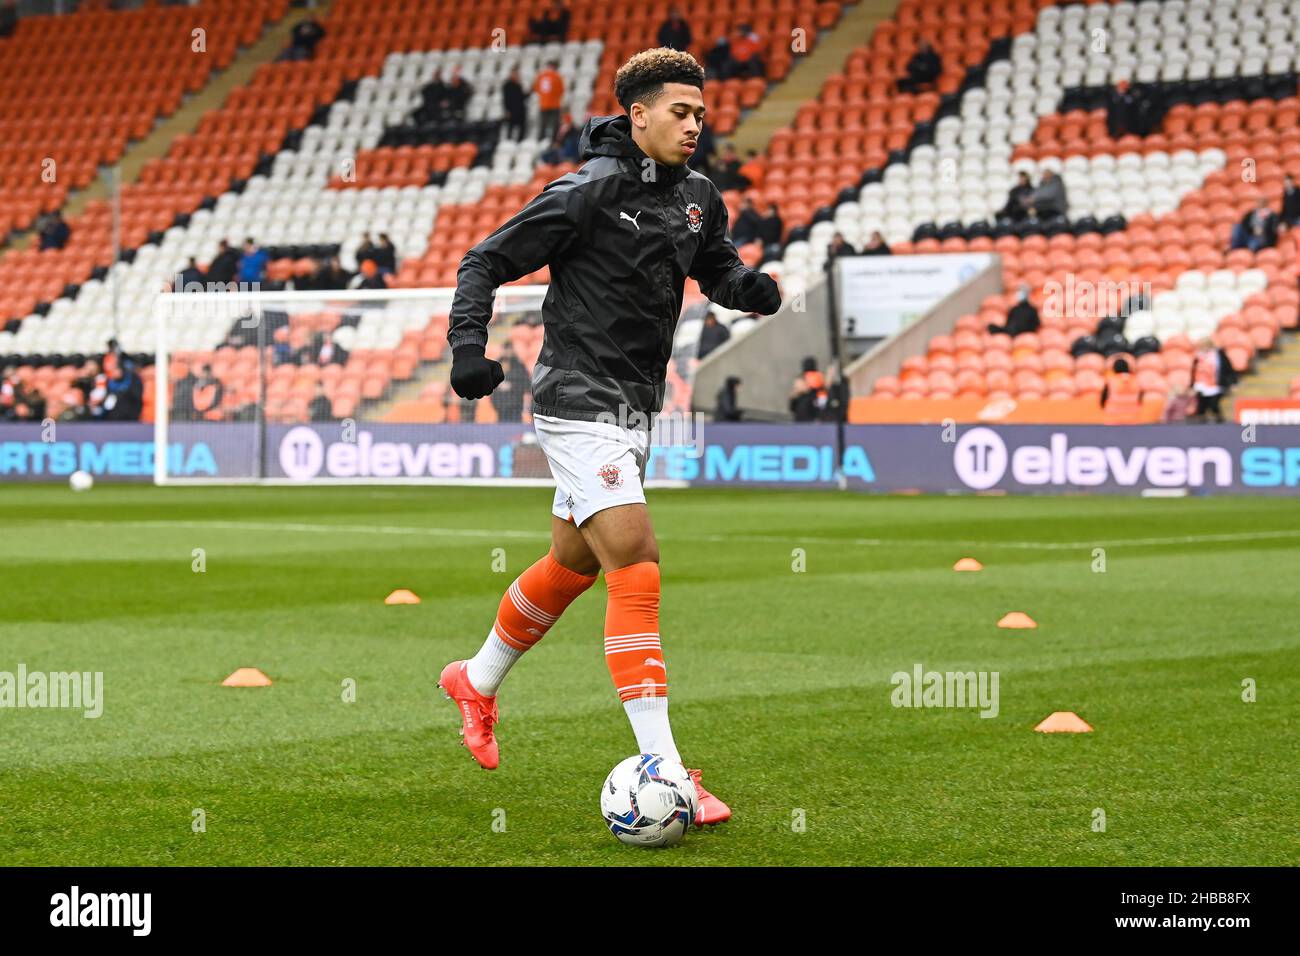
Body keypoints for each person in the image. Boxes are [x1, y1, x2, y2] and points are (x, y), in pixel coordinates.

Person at [440, 48, 782, 824]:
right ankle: (665, 769)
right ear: (638, 115)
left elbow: (715, 263)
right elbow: (483, 262)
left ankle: (477, 678)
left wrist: (744, 290)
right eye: (680, 112)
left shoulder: (698, 195)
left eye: (701, 113)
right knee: (636, 563)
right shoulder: (588, 190)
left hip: (635, 409)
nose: (695, 125)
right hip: (575, 399)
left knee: (571, 564)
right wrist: (469, 348)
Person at [1189, 337, 1236, 422]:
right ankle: (1201, 425)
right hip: (1201, 385)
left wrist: (1232, 382)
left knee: (1213, 404)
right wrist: (1192, 385)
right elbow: (1194, 371)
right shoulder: (1198, 357)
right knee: (1201, 406)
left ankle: (1220, 421)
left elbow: (1228, 368)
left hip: (1215, 385)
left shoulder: (1218, 355)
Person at [490, 348, 531, 423]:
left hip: (515, 408)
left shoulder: (519, 369)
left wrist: (511, 386)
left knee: (515, 429)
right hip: (501, 408)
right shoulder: (496, 369)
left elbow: (527, 385)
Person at [534, 61, 565, 145]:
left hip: (544, 104)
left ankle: (541, 141)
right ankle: (553, 142)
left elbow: (537, 89)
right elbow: (561, 91)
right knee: (554, 124)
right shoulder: (557, 76)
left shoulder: (541, 76)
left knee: (543, 124)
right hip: (554, 104)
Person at [789, 356, 828, 422]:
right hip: (800, 420)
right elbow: (792, 407)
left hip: (813, 420)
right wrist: (795, 394)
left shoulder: (819, 378)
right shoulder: (800, 379)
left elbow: (822, 404)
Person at [502, 68, 527, 142]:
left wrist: (529, 92)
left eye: (518, 74)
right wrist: (507, 110)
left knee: (522, 128)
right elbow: (506, 99)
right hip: (512, 110)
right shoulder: (507, 85)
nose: (517, 76)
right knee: (510, 128)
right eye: (515, 74)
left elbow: (522, 97)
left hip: (520, 110)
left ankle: (519, 142)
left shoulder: (518, 85)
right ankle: (508, 142)